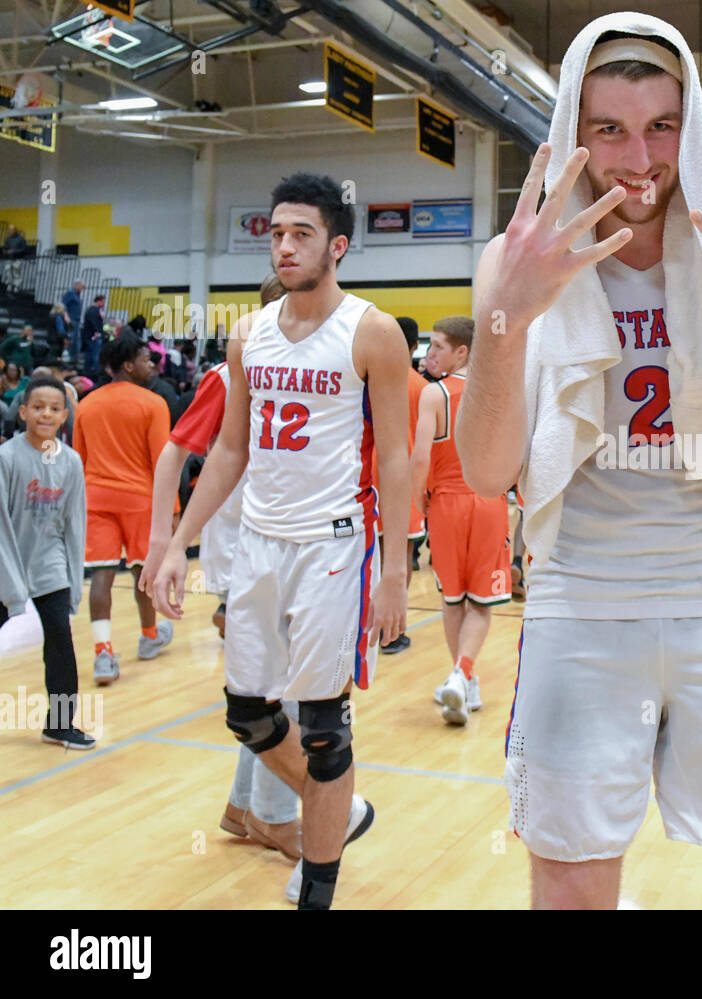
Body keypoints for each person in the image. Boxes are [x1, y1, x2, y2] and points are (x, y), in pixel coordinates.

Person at [459, 13, 702, 908]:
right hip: (582, 597)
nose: (638, 156)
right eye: (609, 129)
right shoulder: (511, 261)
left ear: (691, 125)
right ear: (572, 136)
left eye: (660, 126)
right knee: (573, 888)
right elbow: (486, 470)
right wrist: (506, 318)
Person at [150, 173, 408, 910]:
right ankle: (343, 811)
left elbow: (395, 457)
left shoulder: (372, 331)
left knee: (324, 733)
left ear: (338, 245)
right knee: (249, 715)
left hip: (332, 545)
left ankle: (315, 893)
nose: (284, 245)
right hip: (258, 544)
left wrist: (395, 571)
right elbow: (228, 452)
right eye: (275, 232)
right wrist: (178, 543)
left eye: (301, 233)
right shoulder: (248, 333)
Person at [140, 272, 302, 864]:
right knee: (285, 693)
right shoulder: (230, 373)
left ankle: (244, 807)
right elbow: (174, 451)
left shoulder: (313, 371)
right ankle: (275, 816)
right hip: (247, 552)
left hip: (279, 547)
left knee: (268, 687)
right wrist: (166, 544)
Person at [411, 315, 510, 724]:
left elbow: (419, 459)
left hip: (446, 503)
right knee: (480, 603)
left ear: (462, 351)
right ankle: (462, 675)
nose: (430, 354)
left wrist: (420, 503)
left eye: (437, 346)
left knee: (453, 600)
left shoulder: (434, 395)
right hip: (489, 500)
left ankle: (462, 678)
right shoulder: (497, 392)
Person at [72, 331, 174, 685]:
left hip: (95, 499)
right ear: (128, 365)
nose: (152, 365)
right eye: (147, 359)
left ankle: (103, 654)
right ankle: (149, 637)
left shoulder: (86, 404)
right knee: (144, 573)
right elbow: (163, 461)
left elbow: (78, 462)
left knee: (101, 576)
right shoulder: (152, 403)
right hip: (140, 499)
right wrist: (173, 509)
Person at [0, 376, 93, 749]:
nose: (46, 414)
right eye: (38, 407)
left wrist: (72, 579)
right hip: (6, 562)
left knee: (59, 639)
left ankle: (59, 723)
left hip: (49, 564)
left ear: (65, 416)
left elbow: (75, 524)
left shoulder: (70, 462)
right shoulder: (6, 457)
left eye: (55, 408)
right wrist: (11, 587)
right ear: (22, 411)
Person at [370, 315, 428, 656]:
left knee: (371, 555)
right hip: (403, 481)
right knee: (401, 558)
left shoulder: (369, 378)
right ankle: (392, 629)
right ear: (412, 347)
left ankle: (367, 623)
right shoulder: (422, 387)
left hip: (368, 478)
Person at [81, 294, 106, 378]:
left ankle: (87, 370)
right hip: (94, 336)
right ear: (99, 301)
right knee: (95, 354)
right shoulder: (95, 311)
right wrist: (97, 331)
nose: (104, 304)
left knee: (89, 354)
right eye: (103, 301)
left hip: (89, 335)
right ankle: (96, 371)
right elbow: (95, 323)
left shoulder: (90, 310)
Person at [62, 281, 85, 368]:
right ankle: (69, 359)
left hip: (77, 320)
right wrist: (66, 316)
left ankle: (74, 359)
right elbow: (63, 305)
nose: (82, 289)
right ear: (77, 285)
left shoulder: (77, 295)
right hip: (72, 320)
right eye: (82, 287)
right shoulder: (70, 293)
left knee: (77, 341)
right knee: (72, 340)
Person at [3, 225, 28, 295]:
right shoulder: (8, 239)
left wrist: (14, 251)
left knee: (16, 273)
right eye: (9, 230)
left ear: (15, 230)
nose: (10, 231)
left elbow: (24, 249)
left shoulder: (21, 239)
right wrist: (5, 251)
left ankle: (17, 286)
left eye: (11, 230)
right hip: (9, 258)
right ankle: (9, 285)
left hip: (18, 259)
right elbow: (4, 247)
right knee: (8, 272)